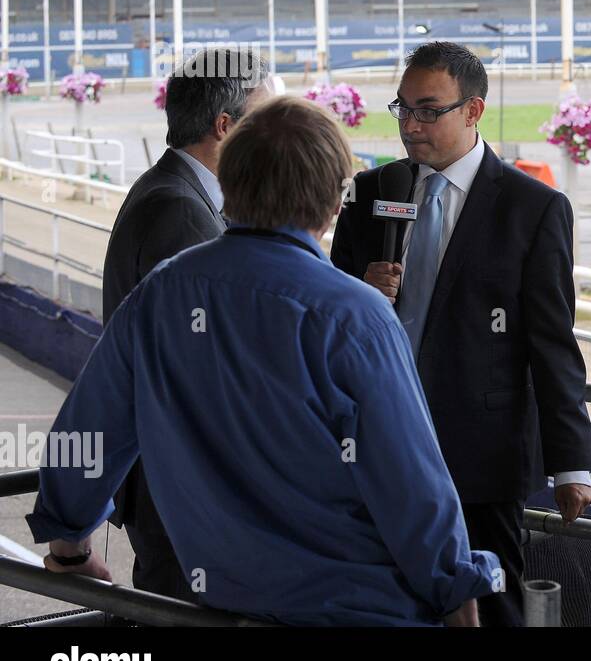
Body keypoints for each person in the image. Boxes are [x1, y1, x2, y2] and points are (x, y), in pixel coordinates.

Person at [29, 96, 497, 626]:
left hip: (211, 606)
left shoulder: (160, 295)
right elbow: (412, 486)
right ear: (331, 203)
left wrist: (69, 545)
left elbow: (85, 434)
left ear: (229, 185)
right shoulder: (355, 316)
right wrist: (458, 593)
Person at [331, 42, 591, 627]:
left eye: (428, 110)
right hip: (374, 441)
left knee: (492, 600)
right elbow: (326, 312)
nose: (410, 125)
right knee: (382, 597)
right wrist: (359, 288)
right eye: (401, 109)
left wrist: (571, 462)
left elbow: (552, 342)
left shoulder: (535, 209)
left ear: (473, 110)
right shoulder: (369, 194)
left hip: (481, 452)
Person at [100, 47, 273, 601]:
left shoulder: (175, 190)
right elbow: (213, 364)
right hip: (183, 491)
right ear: (225, 127)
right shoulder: (181, 211)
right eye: (266, 121)